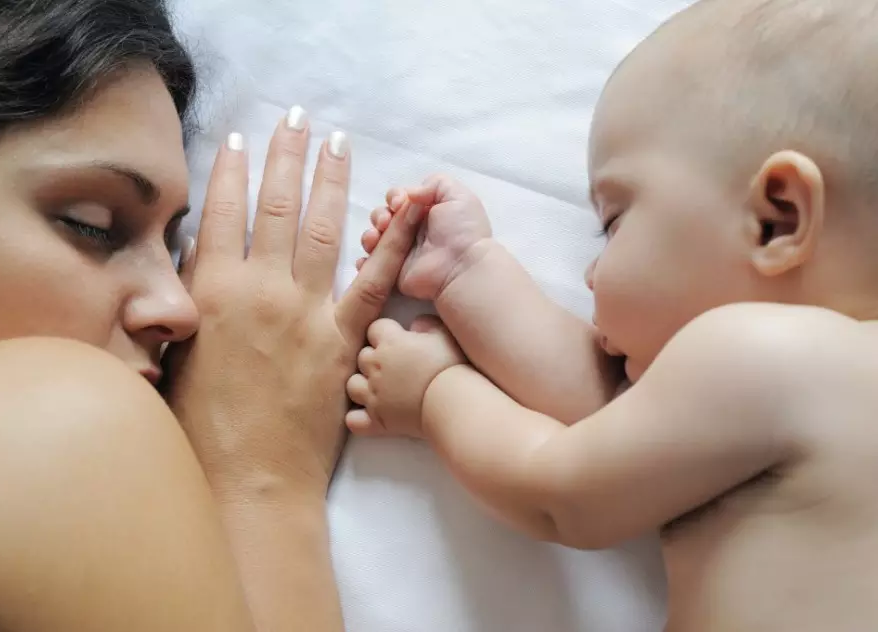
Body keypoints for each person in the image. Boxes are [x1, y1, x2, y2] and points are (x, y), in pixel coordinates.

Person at [350, 0, 878, 629]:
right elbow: (617, 418)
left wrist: (434, 394)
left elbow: (558, 490)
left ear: (776, 219)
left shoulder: (772, 356)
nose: (591, 273)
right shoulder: (815, 383)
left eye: (613, 222)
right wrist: (469, 273)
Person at [0, 1, 419, 630]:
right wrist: (262, 484)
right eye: (92, 225)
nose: (181, 307)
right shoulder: (67, 420)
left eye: (173, 247)